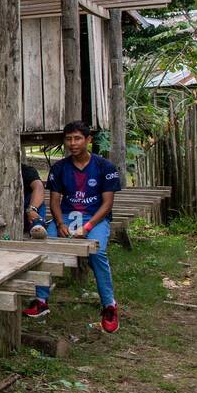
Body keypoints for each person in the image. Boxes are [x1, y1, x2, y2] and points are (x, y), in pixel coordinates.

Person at [26, 121, 122, 332]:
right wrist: (60, 223)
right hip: (67, 216)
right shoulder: (59, 168)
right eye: (68, 139)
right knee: (45, 246)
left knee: (97, 252)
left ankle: (109, 305)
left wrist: (87, 227)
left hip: (94, 218)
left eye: (77, 138)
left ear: (88, 140)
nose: (72, 143)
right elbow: (54, 202)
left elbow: (107, 205)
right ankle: (41, 301)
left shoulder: (105, 167)